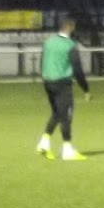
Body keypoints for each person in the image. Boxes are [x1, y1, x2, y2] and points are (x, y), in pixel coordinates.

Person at [37, 17, 91, 160]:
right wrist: (86, 88)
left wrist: (44, 76)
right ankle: (67, 149)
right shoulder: (70, 45)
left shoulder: (48, 42)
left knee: (57, 112)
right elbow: (77, 69)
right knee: (66, 115)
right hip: (62, 83)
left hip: (48, 81)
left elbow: (42, 61)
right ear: (71, 28)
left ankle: (44, 142)